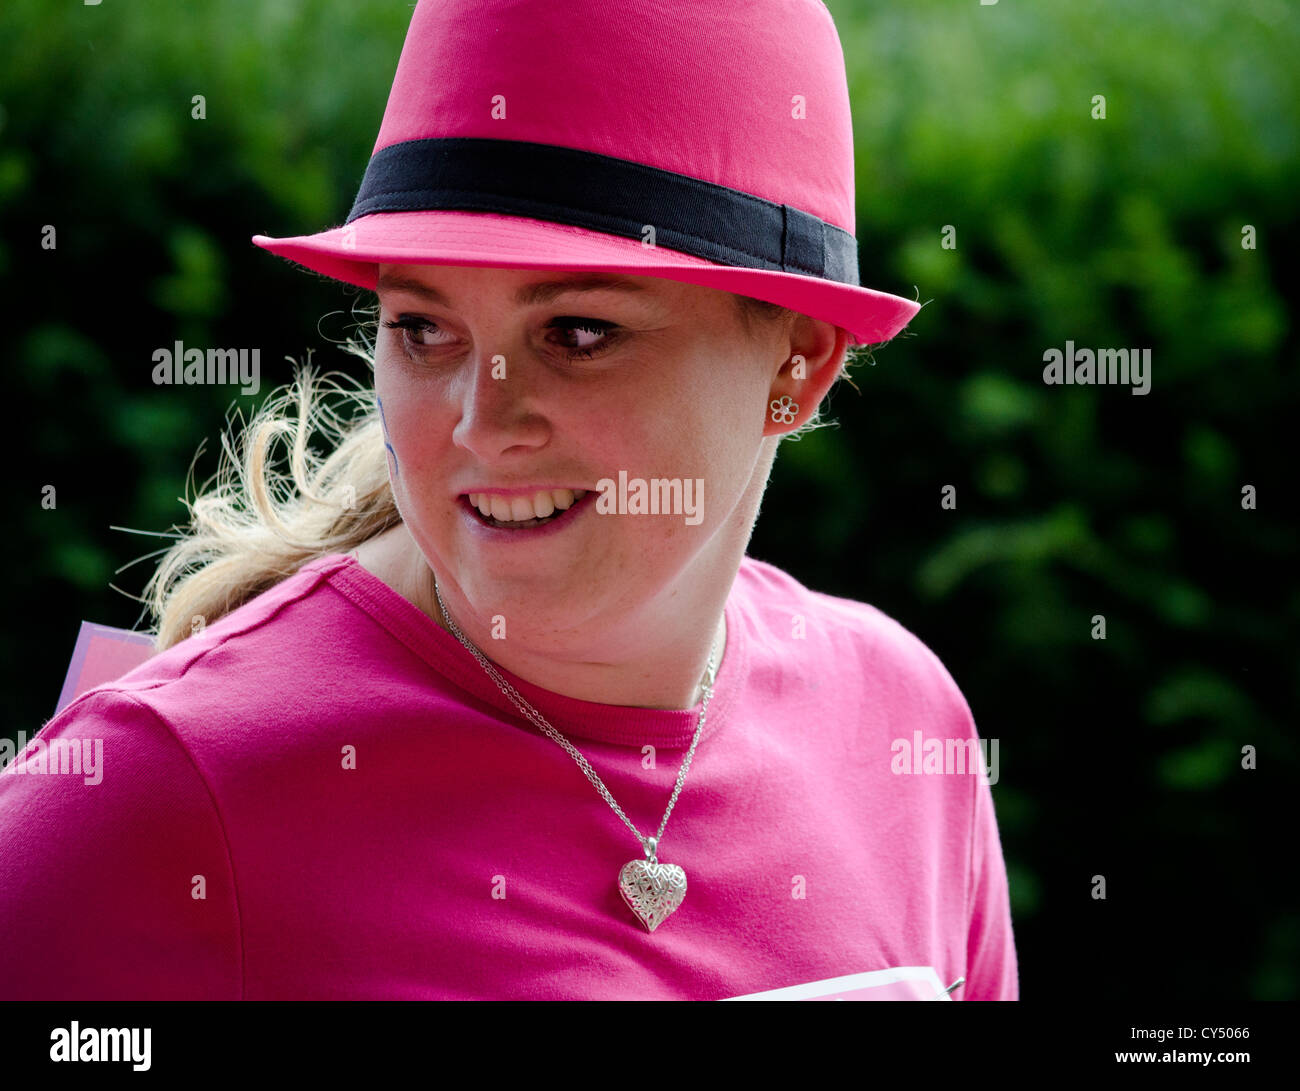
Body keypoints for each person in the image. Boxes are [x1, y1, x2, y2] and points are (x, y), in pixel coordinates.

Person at [0, 0, 1018, 1000]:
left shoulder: (900, 727)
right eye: (421, 327)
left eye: (578, 330)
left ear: (796, 362)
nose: (482, 425)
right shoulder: (156, 796)